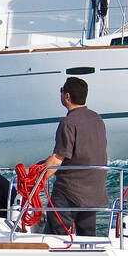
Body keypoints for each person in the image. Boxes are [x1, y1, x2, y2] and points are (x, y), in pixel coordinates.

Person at [41, 77, 107, 237]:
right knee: (87, 239)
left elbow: (58, 159)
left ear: (67, 96)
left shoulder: (68, 122)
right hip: (93, 193)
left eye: (61, 91)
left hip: (69, 192)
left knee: (55, 237)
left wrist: (36, 180)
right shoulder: (98, 119)